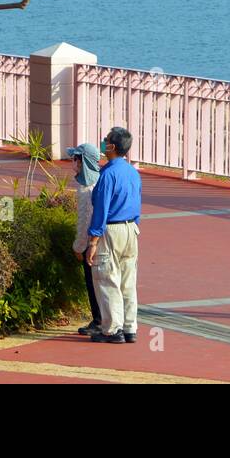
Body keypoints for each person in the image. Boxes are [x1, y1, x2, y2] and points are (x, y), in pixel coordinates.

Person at [86, 126, 141, 344]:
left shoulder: (108, 174)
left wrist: (93, 240)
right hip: (131, 229)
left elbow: (101, 208)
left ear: (112, 147)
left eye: (106, 140)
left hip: (111, 229)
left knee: (107, 278)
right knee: (128, 281)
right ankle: (130, 327)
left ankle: (111, 329)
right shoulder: (133, 173)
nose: (103, 143)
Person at [68, 142, 104, 336]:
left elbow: (84, 222)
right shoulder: (100, 181)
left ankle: (98, 320)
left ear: (83, 162)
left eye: (75, 159)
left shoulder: (85, 189)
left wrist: (79, 246)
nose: (73, 162)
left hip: (91, 244)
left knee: (93, 283)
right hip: (104, 241)